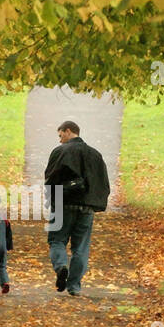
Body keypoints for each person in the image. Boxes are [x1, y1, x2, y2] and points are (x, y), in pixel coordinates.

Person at [43, 120, 110, 295]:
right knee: (80, 248)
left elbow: (50, 179)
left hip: (63, 205)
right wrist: (96, 204)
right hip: (86, 208)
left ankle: (61, 266)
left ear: (68, 131)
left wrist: (50, 199)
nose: (59, 140)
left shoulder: (60, 152)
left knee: (57, 240)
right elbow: (103, 184)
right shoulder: (95, 155)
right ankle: (74, 286)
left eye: (60, 136)